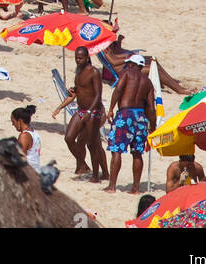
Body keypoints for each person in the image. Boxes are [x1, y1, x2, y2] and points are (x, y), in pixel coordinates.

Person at [53, 44, 107, 182]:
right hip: (81, 110)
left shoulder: (94, 72)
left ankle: (98, 175)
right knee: (69, 138)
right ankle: (82, 164)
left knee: (93, 145)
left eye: (81, 58)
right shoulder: (78, 71)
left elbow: (98, 95)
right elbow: (77, 92)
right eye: (76, 58)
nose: (78, 60)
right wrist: (60, 107)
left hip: (95, 111)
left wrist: (90, 111)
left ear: (87, 58)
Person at [104, 54, 156, 194]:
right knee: (137, 153)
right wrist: (153, 126)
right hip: (140, 117)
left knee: (116, 150)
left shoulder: (127, 73)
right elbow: (151, 107)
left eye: (129, 64)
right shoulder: (148, 82)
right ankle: (135, 188)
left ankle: (112, 186)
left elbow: (118, 90)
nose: (127, 66)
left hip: (125, 114)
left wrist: (110, 109)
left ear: (134, 65)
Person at [11, 105, 42, 171]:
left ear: (19, 121)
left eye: (13, 121)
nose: (12, 124)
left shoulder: (24, 136)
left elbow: (20, 159)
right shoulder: (34, 133)